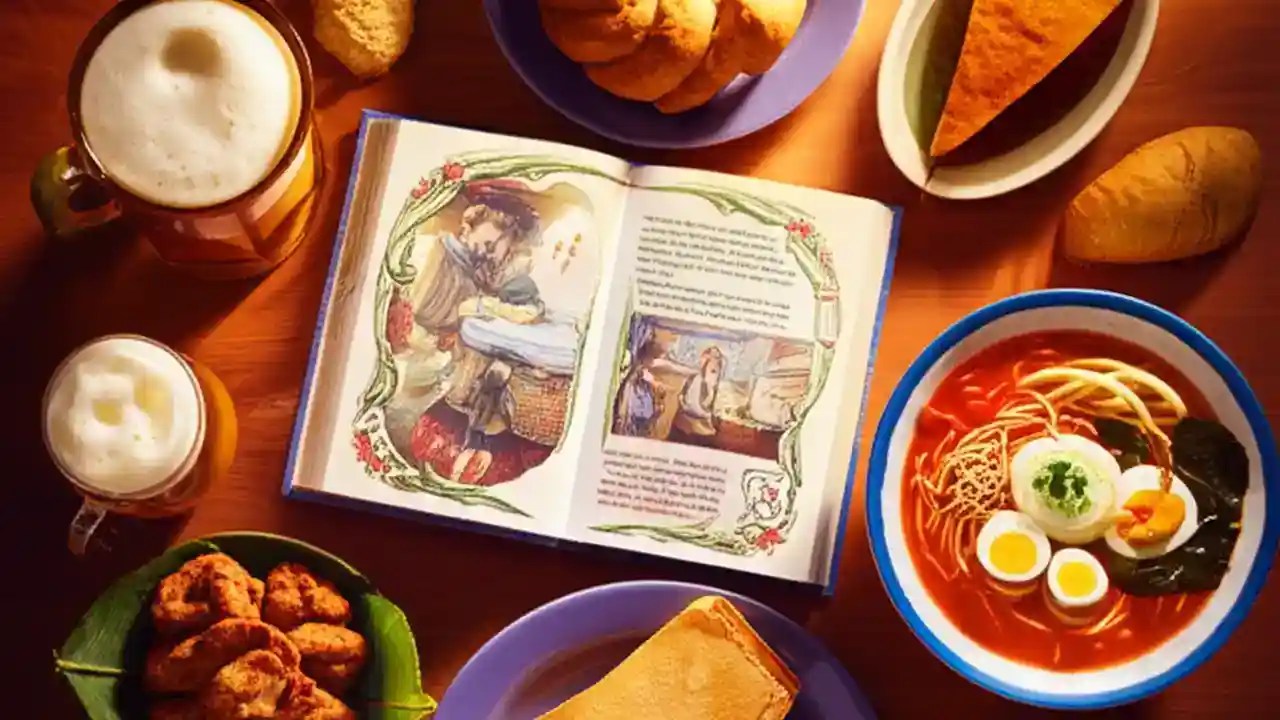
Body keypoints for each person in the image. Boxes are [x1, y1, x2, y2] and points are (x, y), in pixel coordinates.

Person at [670, 347, 724, 446]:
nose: (716, 377)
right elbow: (693, 406)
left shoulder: (712, 387)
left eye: (716, 371)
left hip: (697, 428)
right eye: (713, 371)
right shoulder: (695, 380)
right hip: (688, 428)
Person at [615, 340, 665, 438]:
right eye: (653, 360)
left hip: (638, 409)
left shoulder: (645, 378)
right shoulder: (640, 373)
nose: (653, 363)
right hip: (632, 405)